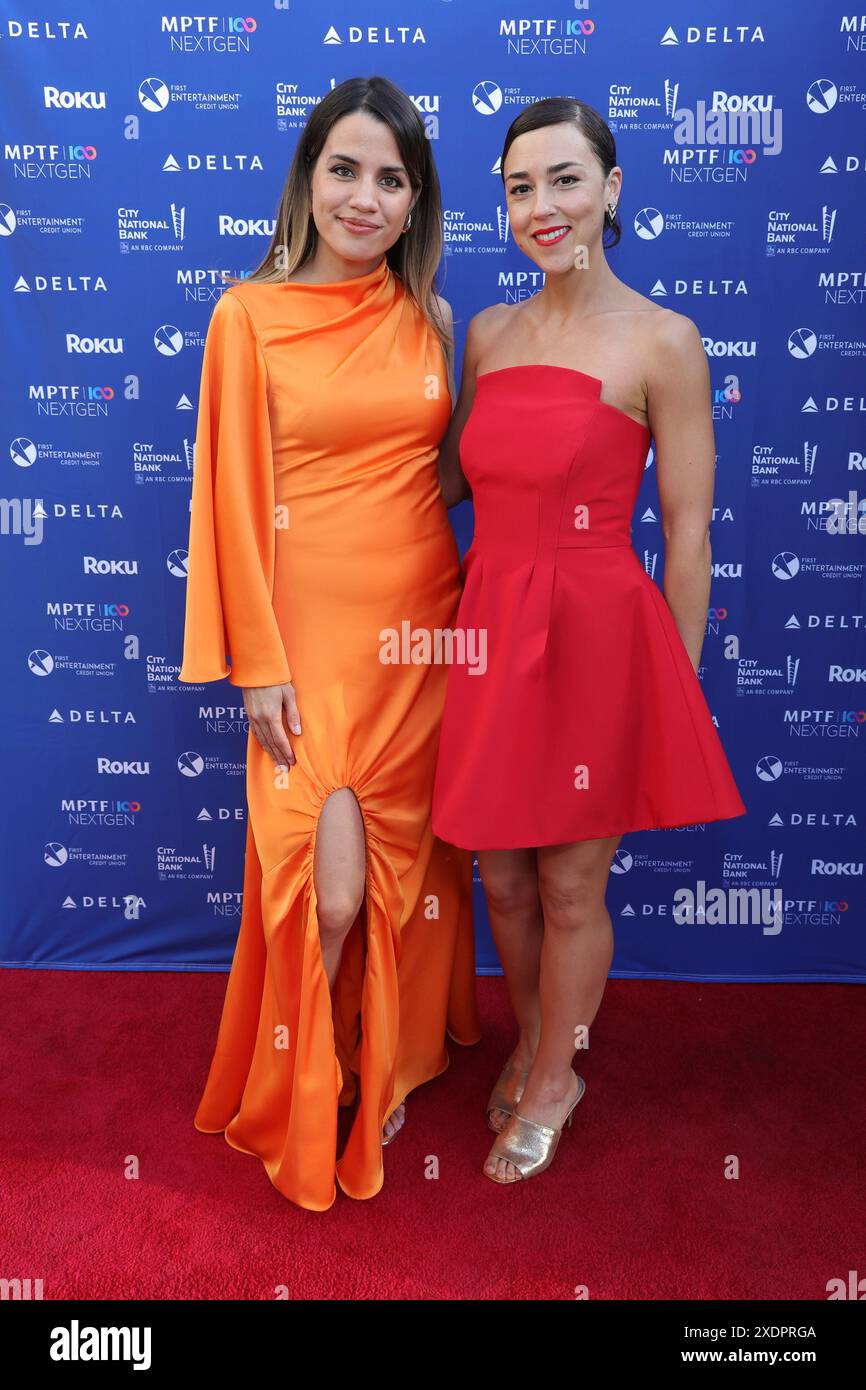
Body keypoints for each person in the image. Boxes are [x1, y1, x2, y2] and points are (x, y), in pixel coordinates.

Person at [431, 97, 747, 1185]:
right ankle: (532, 1038)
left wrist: (668, 690)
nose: (541, 207)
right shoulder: (485, 333)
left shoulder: (664, 339)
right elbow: (450, 486)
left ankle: (556, 1075)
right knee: (503, 887)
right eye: (519, 187)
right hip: (491, 631)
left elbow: (690, 533)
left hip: (599, 642)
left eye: (563, 180)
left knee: (569, 889)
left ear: (611, 189)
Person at [179, 76, 480, 1212]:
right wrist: (257, 662)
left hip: (423, 634)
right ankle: (308, 1074)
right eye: (345, 168)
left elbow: (441, 477)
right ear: (309, 176)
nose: (365, 195)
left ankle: (380, 1059)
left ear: (415, 202)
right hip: (306, 645)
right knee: (332, 886)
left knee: (410, 873)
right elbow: (229, 498)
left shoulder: (431, 318)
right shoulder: (244, 315)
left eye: (390, 178)